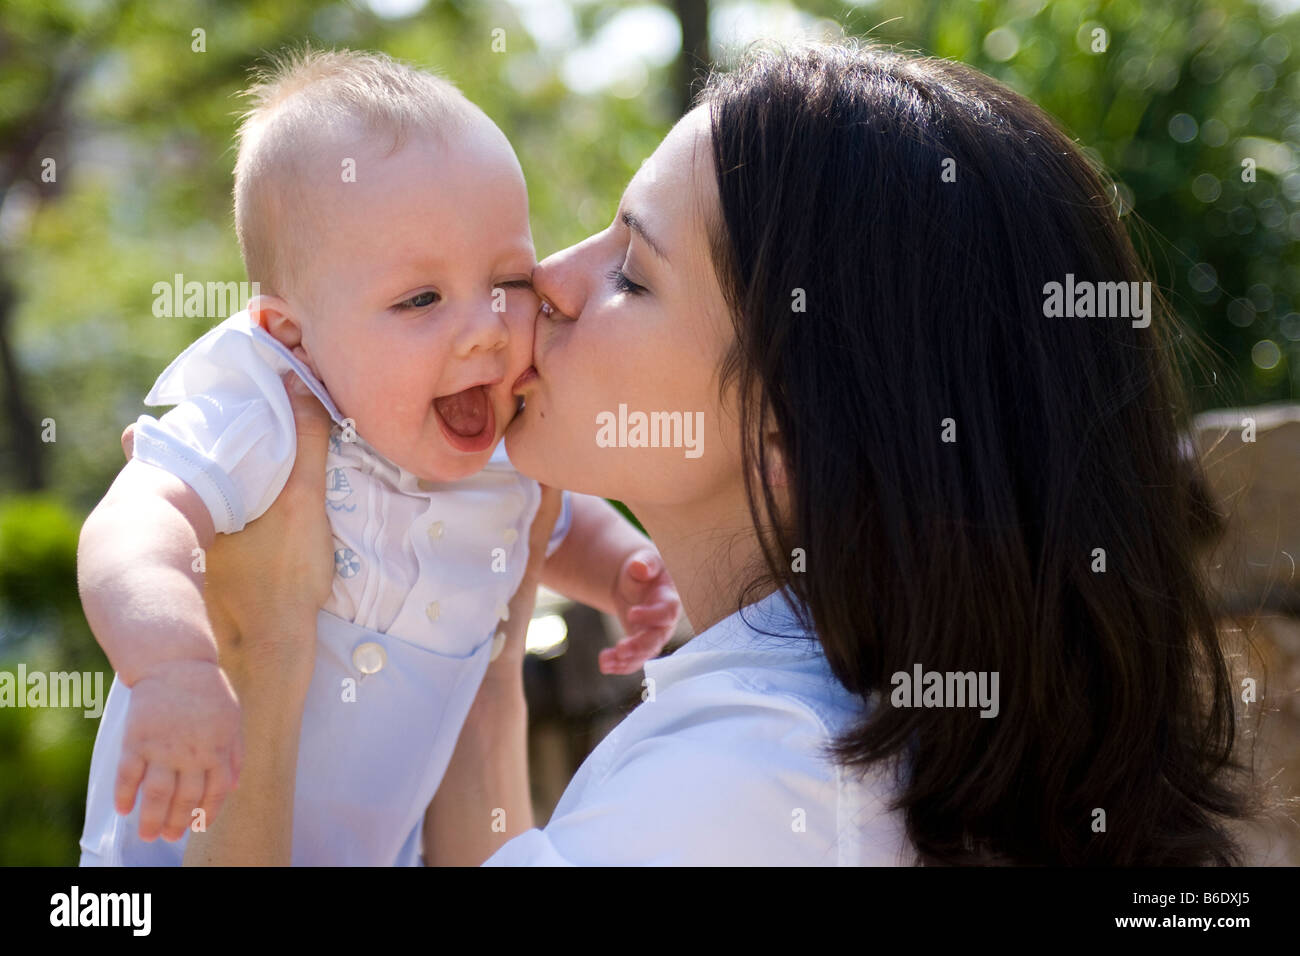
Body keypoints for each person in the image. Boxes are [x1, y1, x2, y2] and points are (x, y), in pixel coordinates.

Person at [150, 41, 1258, 866]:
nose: (549, 285)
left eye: (633, 273)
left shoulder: (746, 783)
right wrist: (484, 651)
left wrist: (261, 647)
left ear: (792, 435)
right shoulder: (846, 737)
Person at [77, 48, 680, 867]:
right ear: (293, 333)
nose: (485, 328)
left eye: (506, 279)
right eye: (421, 299)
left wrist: (624, 572)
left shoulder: (506, 451)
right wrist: (173, 665)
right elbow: (131, 528)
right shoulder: (269, 414)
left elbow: (559, 527)